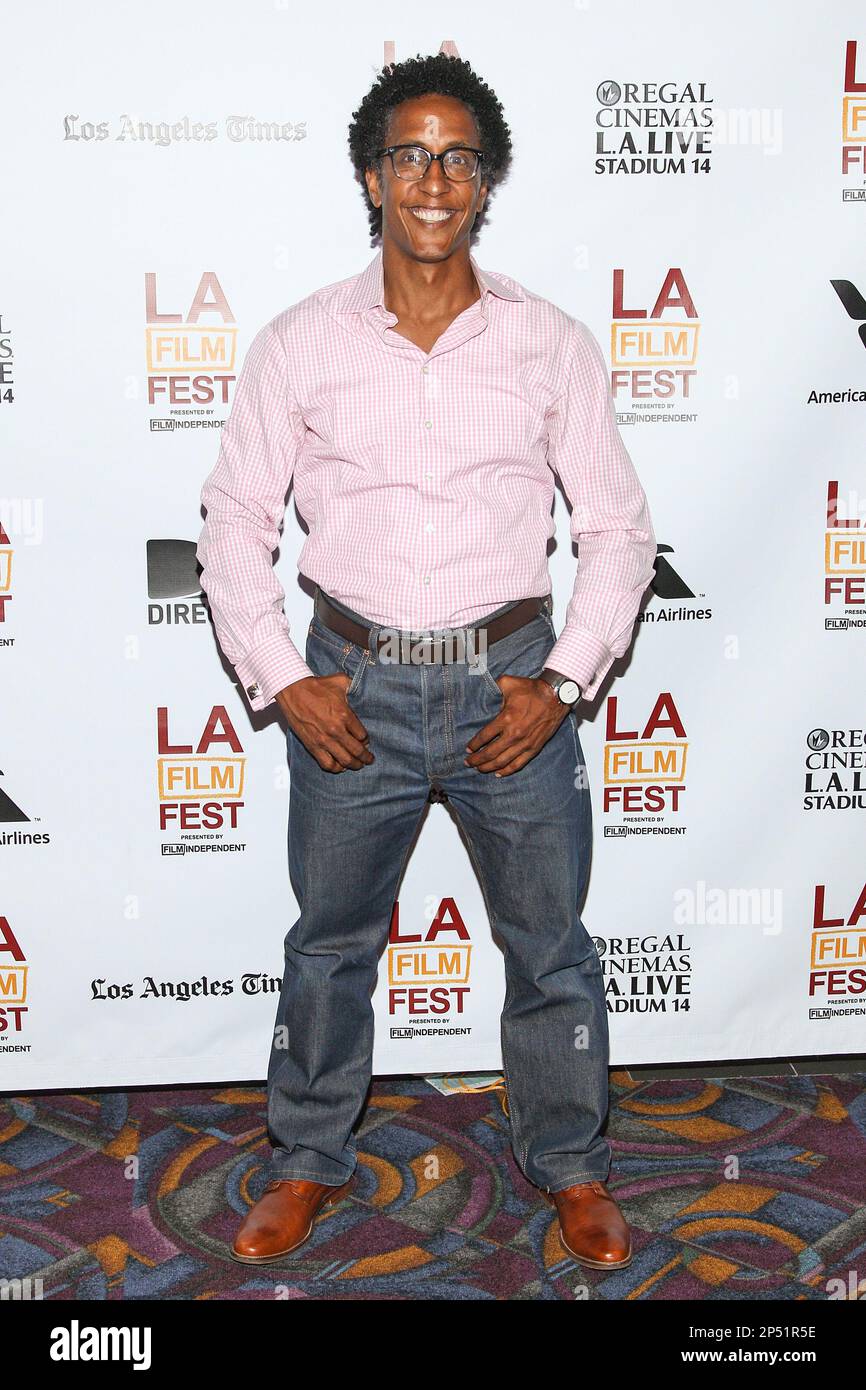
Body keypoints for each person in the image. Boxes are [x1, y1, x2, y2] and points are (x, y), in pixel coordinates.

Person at [197, 52, 656, 1270]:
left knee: (549, 945)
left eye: (458, 155)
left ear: (485, 181)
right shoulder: (300, 342)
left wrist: (561, 683)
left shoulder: (549, 342)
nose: (433, 177)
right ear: (372, 175)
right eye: (410, 154)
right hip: (349, 685)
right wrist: (280, 679)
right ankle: (305, 1157)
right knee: (329, 943)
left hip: (509, 682)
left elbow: (616, 528)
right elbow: (233, 522)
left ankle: (569, 1167)